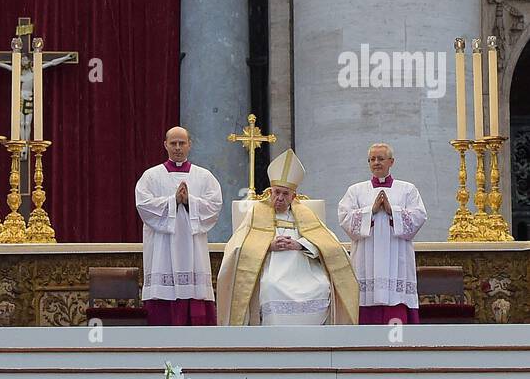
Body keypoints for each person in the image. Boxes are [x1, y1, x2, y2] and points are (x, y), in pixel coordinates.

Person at [217, 149, 358, 326]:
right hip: (271, 265)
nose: (280, 198)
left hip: (303, 267)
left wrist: (299, 245)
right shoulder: (256, 212)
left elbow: (328, 243)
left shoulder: (305, 213)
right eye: (276, 192)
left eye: (285, 194)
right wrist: (268, 245)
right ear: (270, 192)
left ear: (294, 196)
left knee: (322, 287)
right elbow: (238, 244)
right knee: (270, 286)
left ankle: (312, 341)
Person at [135, 126, 222, 325]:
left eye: (181, 143)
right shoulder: (151, 176)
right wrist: (172, 201)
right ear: (165, 145)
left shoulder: (204, 176)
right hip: (162, 248)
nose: (177, 147)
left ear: (189, 145)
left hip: (193, 248)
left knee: (194, 287)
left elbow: (215, 206)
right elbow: (143, 205)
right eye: (173, 143)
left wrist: (189, 201)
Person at [337, 143, 427, 324]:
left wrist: (392, 211)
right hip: (365, 256)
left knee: (395, 299)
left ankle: (396, 343)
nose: (376, 163)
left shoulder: (407, 189)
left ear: (391, 161)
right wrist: (370, 211)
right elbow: (344, 219)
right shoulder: (355, 190)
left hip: (397, 256)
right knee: (364, 297)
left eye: (380, 158)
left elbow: (419, 217)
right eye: (372, 159)